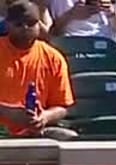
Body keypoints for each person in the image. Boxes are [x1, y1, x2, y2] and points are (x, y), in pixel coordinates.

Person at [0, 1, 75, 140]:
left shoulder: (53, 57)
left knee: (70, 138)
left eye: (31, 23)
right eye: (19, 24)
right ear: (8, 25)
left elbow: (62, 107)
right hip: (2, 129)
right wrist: (6, 112)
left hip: (37, 130)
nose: (25, 28)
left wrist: (45, 117)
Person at [45, 0, 116, 39]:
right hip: (69, 47)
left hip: (105, 46)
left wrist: (111, 13)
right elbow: (51, 34)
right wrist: (71, 15)